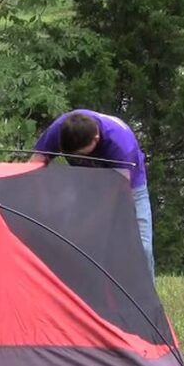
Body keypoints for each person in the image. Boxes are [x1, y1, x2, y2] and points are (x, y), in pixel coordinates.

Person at [30, 110, 154, 275]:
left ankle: (144, 299)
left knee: (141, 247)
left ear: (96, 139)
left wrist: (87, 227)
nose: (77, 159)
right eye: (71, 156)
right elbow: (35, 164)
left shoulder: (122, 146)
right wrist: (38, 203)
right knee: (80, 245)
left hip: (129, 187)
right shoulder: (61, 128)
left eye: (80, 155)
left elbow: (114, 197)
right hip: (86, 184)